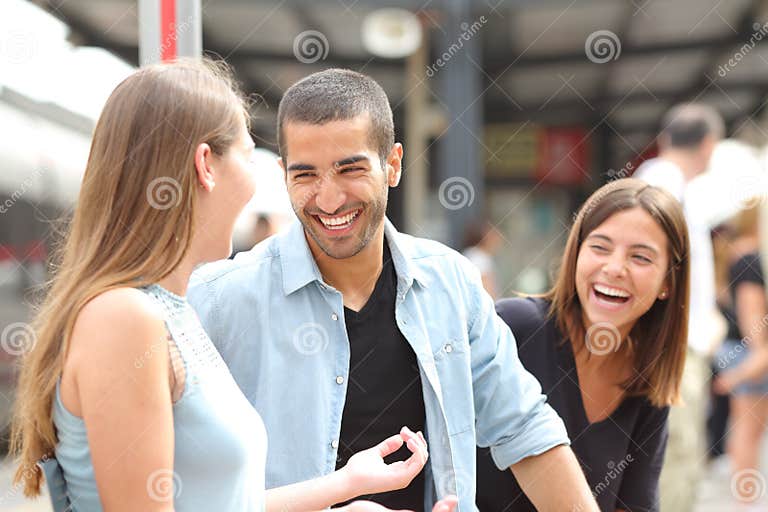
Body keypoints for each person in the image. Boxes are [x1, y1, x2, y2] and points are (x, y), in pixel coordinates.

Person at [9, 59, 458, 512]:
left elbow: (220, 503)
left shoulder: (169, 311)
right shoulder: (126, 319)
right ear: (206, 164)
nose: (259, 183)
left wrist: (347, 491)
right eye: (248, 155)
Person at [187, 67, 599, 512]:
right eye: (305, 176)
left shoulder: (450, 284)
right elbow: (184, 487)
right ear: (284, 173)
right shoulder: (217, 300)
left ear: (394, 164)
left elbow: (524, 427)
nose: (329, 200)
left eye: (350, 169)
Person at [476, 179, 689, 511]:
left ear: (667, 283)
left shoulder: (647, 383)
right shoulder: (515, 326)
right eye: (600, 248)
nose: (615, 269)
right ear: (575, 254)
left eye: (641, 257)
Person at [633, 102, 725, 512]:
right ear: (708, 144)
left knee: (681, 453)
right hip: (672, 347)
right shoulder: (663, 183)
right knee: (674, 454)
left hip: (680, 343)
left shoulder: (668, 183)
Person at [712, 204, 768, 504]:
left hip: (741, 352)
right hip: (747, 353)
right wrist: (755, 362)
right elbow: (753, 323)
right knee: (748, 432)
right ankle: (745, 501)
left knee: (748, 431)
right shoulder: (751, 257)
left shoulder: (738, 252)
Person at [461, 220, 502, 299]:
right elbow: (487, 291)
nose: (498, 238)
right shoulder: (479, 258)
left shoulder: (472, 254)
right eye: (493, 235)